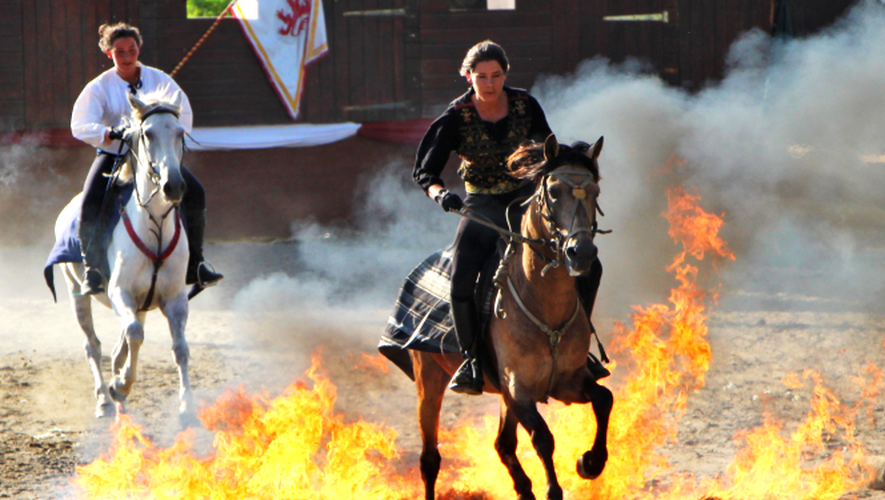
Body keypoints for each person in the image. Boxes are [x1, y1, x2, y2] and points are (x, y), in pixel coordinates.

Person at [414, 40, 603, 396]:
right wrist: (440, 194)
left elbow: (549, 153)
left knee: (591, 265)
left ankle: (578, 352)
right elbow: (425, 173)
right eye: (481, 76)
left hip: (525, 203)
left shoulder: (526, 105)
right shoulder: (455, 118)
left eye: (496, 75)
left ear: (505, 75)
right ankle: (471, 361)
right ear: (467, 76)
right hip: (482, 206)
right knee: (461, 277)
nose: (489, 83)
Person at [71, 22, 223, 298]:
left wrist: (167, 136)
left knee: (196, 192)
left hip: (156, 156)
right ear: (109, 53)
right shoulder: (99, 87)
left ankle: (196, 264)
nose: (127, 56)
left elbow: (183, 117)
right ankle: (92, 268)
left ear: (139, 49)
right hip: (114, 154)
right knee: (92, 197)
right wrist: (108, 132)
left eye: (131, 50)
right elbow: (79, 124)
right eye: (119, 52)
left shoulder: (161, 80)